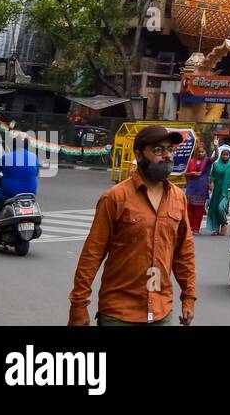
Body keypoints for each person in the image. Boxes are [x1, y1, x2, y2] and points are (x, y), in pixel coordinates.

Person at [68, 125, 195, 326]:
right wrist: (78, 305)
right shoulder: (115, 198)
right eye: (158, 150)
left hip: (162, 312)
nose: (167, 156)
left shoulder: (178, 198)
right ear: (139, 154)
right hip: (119, 314)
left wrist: (189, 298)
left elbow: (184, 252)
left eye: (170, 150)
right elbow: (92, 254)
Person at [0, 140, 40, 234]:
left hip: (9, 194)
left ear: (12, 146)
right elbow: (36, 173)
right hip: (30, 194)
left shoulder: (7, 157)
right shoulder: (34, 157)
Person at [205, 146, 230, 236]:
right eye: (223, 154)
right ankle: (215, 229)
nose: (225, 156)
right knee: (215, 208)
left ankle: (224, 223)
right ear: (221, 155)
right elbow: (212, 176)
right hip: (217, 190)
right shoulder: (216, 165)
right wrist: (211, 182)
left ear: (229, 156)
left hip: (226, 190)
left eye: (227, 155)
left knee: (221, 208)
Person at [182, 141, 212, 234]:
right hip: (191, 187)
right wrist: (192, 173)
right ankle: (189, 228)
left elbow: (215, 158)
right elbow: (185, 174)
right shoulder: (191, 161)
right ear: (196, 152)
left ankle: (196, 229)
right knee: (189, 209)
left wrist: (215, 146)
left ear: (205, 152)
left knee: (199, 210)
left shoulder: (207, 161)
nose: (200, 153)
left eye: (202, 152)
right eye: (199, 152)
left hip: (202, 188)